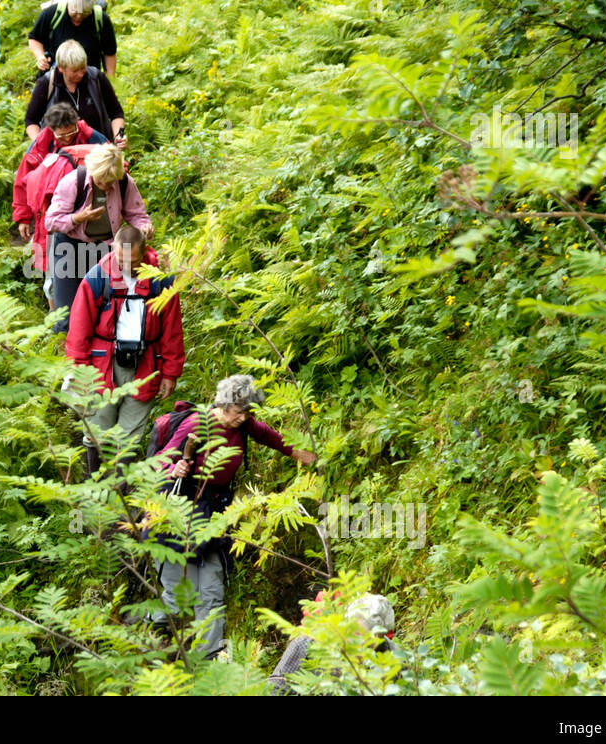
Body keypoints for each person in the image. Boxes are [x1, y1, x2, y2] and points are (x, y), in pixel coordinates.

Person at [151, 375, 317, 659]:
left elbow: (271, 437)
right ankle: (154, 632)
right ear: (224, 404)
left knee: (212, 588)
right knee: (178, 592)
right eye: (238, 412)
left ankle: (207, 657)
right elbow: (161, 462)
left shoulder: (244, 424)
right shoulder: (196, 424)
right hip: (179, 509)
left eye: (248, 413)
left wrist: (303, 455)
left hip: (214, 511)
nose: (243, 418)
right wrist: (173, 470)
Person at [66, 224, 184, 477]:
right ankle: (95, 484)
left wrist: (170, 373)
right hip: (102, 364)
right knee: (99, 426)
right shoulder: (97, 278)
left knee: (130, 433)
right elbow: (78, 330)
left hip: (146, 364)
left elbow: (172, 331)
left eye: (132, 261)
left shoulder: (161, 282)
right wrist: (79, 373)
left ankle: (121, 495)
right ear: (113, 250)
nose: (126, 266)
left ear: (144, 253)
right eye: (121, 260)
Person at [45, 145, 151, 330]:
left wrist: (144, 227)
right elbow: (51, 221)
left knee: (105, 308)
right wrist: (79, 217)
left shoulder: (124, 182)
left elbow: (136, 214)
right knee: (66, 316)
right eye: (102, 181)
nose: (106, 185)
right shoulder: (72, 182)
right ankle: (64, 354)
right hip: (70, 247)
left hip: (106, 247)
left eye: (111, 181)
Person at [14, 104, 110, 300]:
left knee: (92, 271)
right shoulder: (41, 145)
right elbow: (24, 181)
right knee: (54, 276)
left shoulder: (94, 138)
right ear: (50, 130)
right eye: (61, 136)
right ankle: (57, 322)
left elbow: (114, 167)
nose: (67, 139)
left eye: (71, 133)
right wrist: (23, 218)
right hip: (51, 218)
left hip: (93, 216)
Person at [267, 593, 402, 693]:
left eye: (369, 641)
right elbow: (275, 689)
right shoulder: (306, 644)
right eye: (354, 633)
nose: (358, 644)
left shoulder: (390, 654)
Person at [24, 41, 126, 147]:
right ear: (60, 68)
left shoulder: (97, 79)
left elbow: (116, 113)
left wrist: (118, 136)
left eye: (83, 68)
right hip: (59, 154)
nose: (81, 74)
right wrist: (40, 144)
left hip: (98, 151)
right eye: (74, 71)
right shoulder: (46, 83)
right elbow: (31, 120)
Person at [29, 0, 117, 79]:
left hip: (88, 77)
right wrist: (40, 57)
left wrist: (110, 80)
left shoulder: (101, 19)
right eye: (74, 12)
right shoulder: (52, 13)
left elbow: (109, 52)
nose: (79, 16)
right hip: (54, 75)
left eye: (85, 13)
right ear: (68, 2)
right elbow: (34, 38)